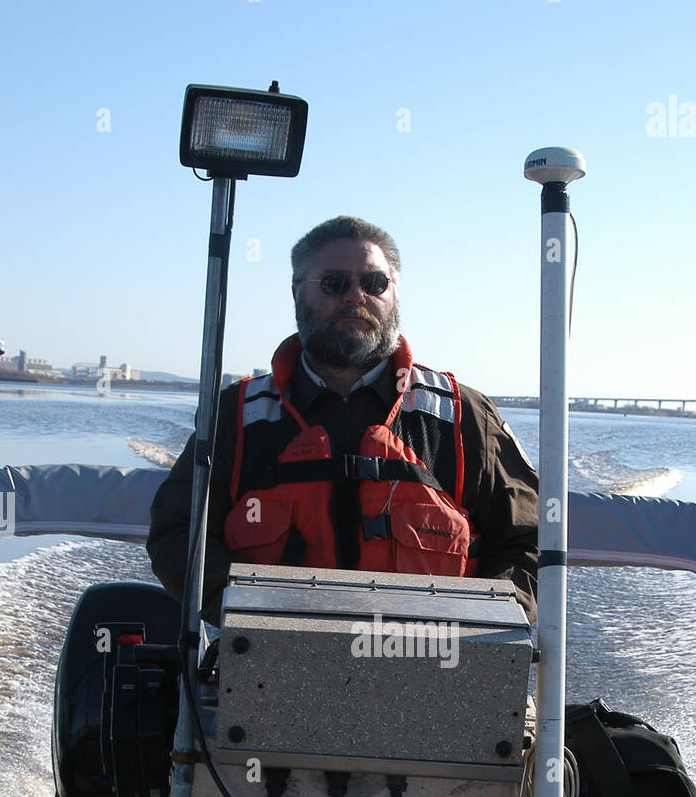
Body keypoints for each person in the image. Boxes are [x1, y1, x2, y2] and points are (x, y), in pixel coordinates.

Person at [147, 216, 538, 624]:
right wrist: (255, 619)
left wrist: (483, 629)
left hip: (435, 668)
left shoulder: (463, 418)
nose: (356, 297)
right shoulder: (235, 416)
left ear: (394, 294)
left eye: (374, 283)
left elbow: (530, 540)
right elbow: (179, 535)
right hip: (274, 670)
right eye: (334, 283)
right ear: (297, 292)